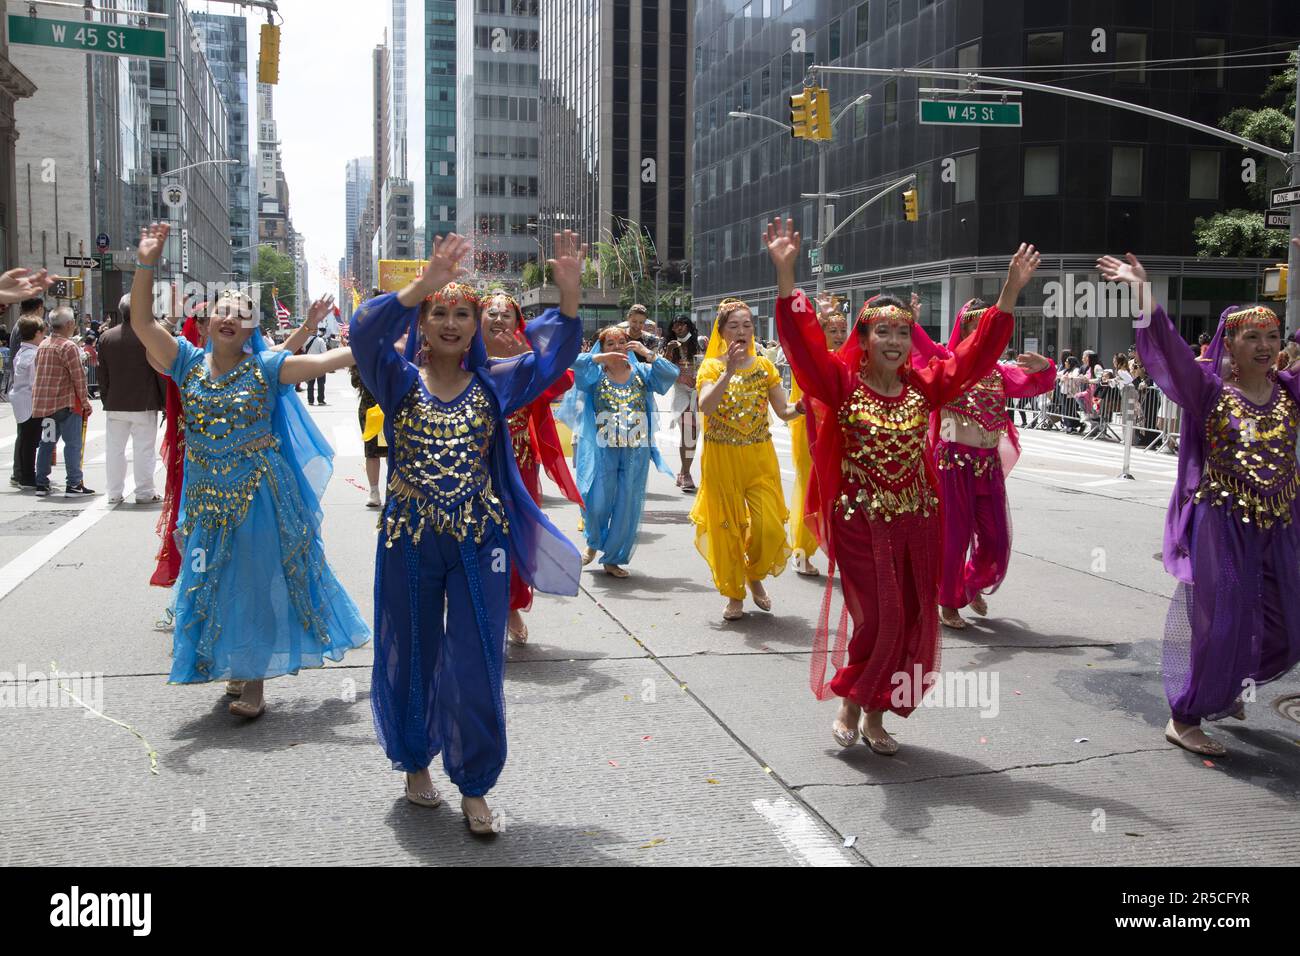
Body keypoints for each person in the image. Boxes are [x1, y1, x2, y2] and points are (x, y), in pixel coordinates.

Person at [771, 217, 1036, 754]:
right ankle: (851, 701)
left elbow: (973, 358)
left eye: (899, 331)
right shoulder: (841, 384)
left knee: (913, 617)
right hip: (860, 521)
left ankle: (874, 713)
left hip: (918, 520)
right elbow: (803, 349)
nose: (892, 340)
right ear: (863, 342)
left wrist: (1008, 295)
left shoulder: (925, 387)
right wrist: (786, 278)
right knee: (884, 614)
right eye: (880, 332)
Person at [350, 231, 584, 835]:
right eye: (439, 313)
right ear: (422, 323)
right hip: (409, 539)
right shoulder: (397, 379)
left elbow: (552, 359)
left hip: (480, 540)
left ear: (477, 326)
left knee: (478, 658)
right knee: (414, 649)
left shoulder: (495, 384)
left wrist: (571, 297)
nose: (451, 323)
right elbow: (364, 333)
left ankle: (475, 785)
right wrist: (419, 284)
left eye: (462, 313)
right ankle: (414, 762)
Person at [130, 222, 369, 718]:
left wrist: (379, 341)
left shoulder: (267, 369)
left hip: (259, 491)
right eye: (223, 310)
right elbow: (141, 324)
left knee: (255, 579)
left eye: (241, 314)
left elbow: (327, 360)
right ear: (206, 320)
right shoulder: (186, 363)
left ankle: (253, 676)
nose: (230, 318)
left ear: (251, 328)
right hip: (204, 495)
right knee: (211, 577)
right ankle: (232, 664)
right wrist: (146, 263)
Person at [1102, 250, 1300, 757]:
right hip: (1221, 521)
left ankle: (1226, 681)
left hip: (1281, 521)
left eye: (1272, 336)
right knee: (1225, 619)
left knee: (1290, 628)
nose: (1264, 345)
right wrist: (1144, 294)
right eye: (1251, 336)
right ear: (1229, 343)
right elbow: (1165, 348)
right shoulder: (1208, 391)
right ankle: (1186, 714)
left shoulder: (1290, 393)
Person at [909, 300, 1056, 628]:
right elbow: (917, 346)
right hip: (953, 466)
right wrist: (912, 320)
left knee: (996, 540)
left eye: (987, 329)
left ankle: (968, 583)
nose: (982, 336)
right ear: (964, 331)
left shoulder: (999, 372)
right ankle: (948, 603)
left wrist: (1044, 365)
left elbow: (1037, 383)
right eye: (976, 328)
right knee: (954, 537)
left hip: (987, 468)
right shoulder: (946, 361)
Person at [480, 290, 583, 644]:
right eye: (490, 313)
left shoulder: (527, 363)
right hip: (471, 469)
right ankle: (470, 606)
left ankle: (510, 607)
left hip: (519, 467)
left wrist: (525, 355)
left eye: (506, 314)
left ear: (517, 323)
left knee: (512, 538)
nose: (498, 318)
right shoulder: (462, 362)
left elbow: (563, 381)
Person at [691, 297, 802, 621]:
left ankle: (753, 574)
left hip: (758, 456)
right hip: (721, 457)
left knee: (767, 528)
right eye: (734, 326)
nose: (741, 331)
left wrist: (803, 407)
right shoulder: (711, 367)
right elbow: (706, 407)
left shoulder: (765, 367)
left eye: (747, 325)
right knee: (727, 528)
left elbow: (783, 411)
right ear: (722, 332)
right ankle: (733, 594)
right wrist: (727, 372)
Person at [574, 323, 679, 577]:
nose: (617, 348)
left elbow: (670, 373)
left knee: (627, 504)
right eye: (610, 344)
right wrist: (599, 356)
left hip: (635, 450)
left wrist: (648, 352)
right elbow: (573, 364)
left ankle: (613, 558)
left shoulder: (642, 372)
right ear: (602, 347)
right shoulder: (595, 374)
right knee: (597, 501)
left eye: (621, 342)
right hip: (603, 448)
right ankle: (593, 542)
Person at [789, 293, 847, 577]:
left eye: (842, 330)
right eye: (832, 330)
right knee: (811, 486)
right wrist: (819, 316)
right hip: (810, 432)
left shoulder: (846, 358)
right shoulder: (812, 357)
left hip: (838, 433)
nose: (838, 335)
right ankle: (801, 550)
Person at [97, 294, 165, 504]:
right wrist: (164, 401)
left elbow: (103, 374)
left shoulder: (106, 337)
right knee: (144, 448)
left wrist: (106, 397)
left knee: (114, 449)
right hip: (144, 401)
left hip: (116, 402)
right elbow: (159, 372)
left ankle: (114, 492)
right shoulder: (150, 337)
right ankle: (144, 492)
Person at [32, 307, 95, 497]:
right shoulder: (68, 347)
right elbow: (78, 377)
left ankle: (41, 483)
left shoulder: (43, 345)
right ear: (68, 324)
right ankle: (74, 483)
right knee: (72, 444)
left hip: (46, 405)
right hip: (66, 403)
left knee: (47, 442)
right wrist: (85, 402)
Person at [661, 314, 702, 493]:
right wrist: (669, 351)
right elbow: (664, 369)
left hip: (699, 391)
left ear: (688, 326)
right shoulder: (670, 346)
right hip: (680, 392)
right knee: (688, 429)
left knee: (693, 434)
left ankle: (684, 471)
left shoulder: (699, 343)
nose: (679, 329)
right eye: (675, 326)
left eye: (682, 325)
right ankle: (686, 474)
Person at [8, 316, 45, 488]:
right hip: (30, 402)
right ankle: (28, 477)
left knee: (24, 439)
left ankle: (23, 474)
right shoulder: (33, 354)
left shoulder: (22, 353)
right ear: (37, 333)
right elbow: (34, 381)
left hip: (21, 401)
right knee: (30, 441)